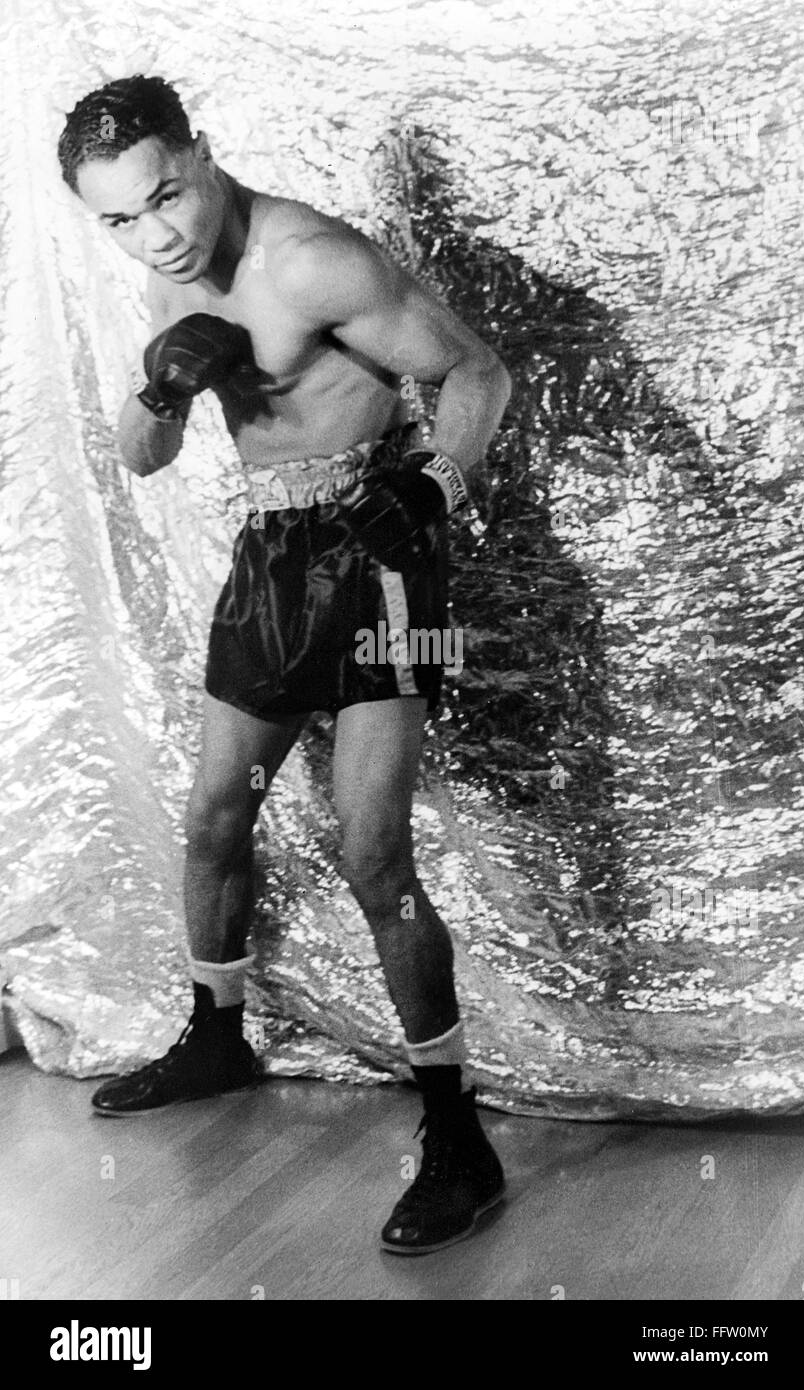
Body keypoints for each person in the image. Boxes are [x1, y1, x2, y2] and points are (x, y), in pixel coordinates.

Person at [57, 74, 512, 1255]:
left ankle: (456, 1132)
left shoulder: (311, 260)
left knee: (373, 851)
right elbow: (143, 459)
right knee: (214, 817)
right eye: (120, 219)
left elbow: (476, 370)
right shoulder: (164, 267)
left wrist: (430, 488)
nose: (156, 232)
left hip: (383, 562)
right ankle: (217, 1032)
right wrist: (163, 386)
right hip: (271, 558)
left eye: (166, 195)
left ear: (202, 152)